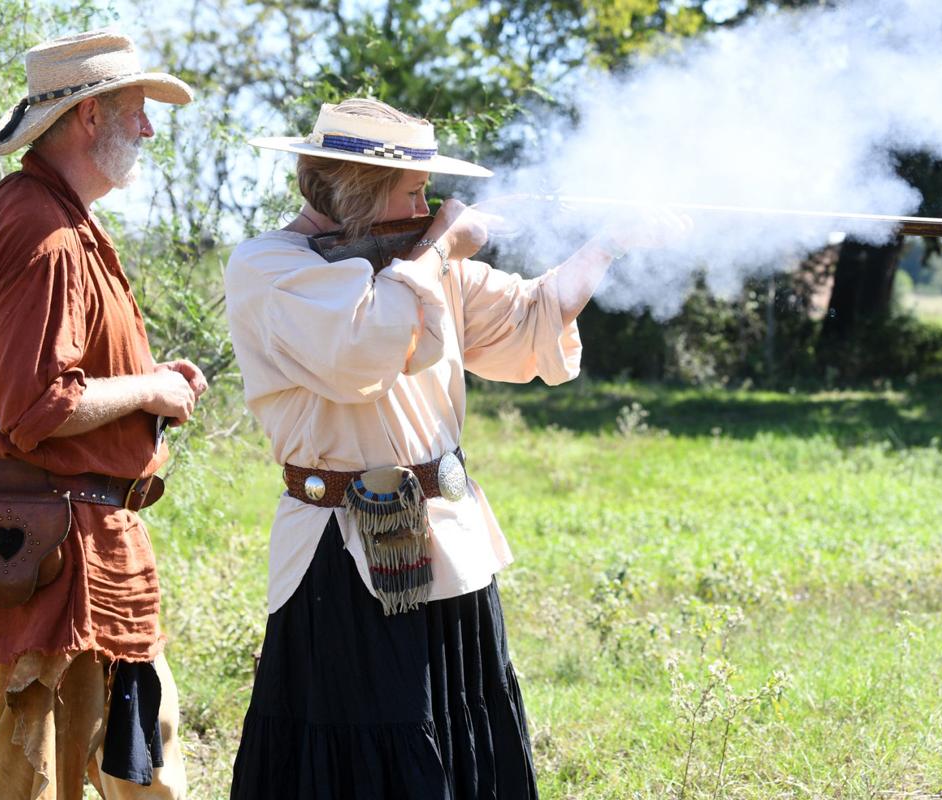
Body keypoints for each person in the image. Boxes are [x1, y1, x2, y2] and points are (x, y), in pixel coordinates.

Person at [224, 97, 686, 798]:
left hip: (448, 540)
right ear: (359, 192)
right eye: (414, 191)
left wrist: (608, 243)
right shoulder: (270, 267)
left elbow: (533, 317)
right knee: (367, 748)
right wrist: (440, 250)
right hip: (342, 554)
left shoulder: (418, 264)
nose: (430, 205)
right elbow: (362, 356)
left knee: (463, 738)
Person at [0, 30, 206, 799]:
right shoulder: (45, 232)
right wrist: (151, 393)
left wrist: (142, 377)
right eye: (136, 112)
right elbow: (35, 407)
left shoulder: (49, 215)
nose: (149, 131)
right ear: (88, 117)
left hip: (62, 537)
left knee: (87, 758)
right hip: (68, 551)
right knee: (119, 763)